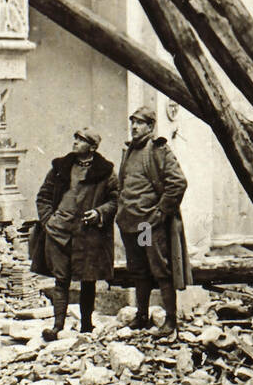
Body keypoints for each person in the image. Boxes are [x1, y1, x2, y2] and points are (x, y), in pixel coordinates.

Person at [29, 127, 117, 341]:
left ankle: (86, 325)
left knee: (88, 279)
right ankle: (57, 326)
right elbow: (43, 196)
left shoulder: (105, 172)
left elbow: (116, 199)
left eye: (82, 139)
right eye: (75, 138)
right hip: (59, 232)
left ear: (93, 147)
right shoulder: (61, 167)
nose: (75, 142)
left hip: (88, 235)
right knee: (61, 280)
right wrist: (49, 220)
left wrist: (99, 213)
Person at [117, 104, 189, 338]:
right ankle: (142, 316)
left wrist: (160, 212)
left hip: (147, 224)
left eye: (139, 123)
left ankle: (170, 320)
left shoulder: (158, 150)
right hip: (130, 222)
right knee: (138, 271)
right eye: (133, 122)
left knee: (159, 269)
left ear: (150, 126)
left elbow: (177, 182)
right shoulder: (128, 151)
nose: (134, 127)